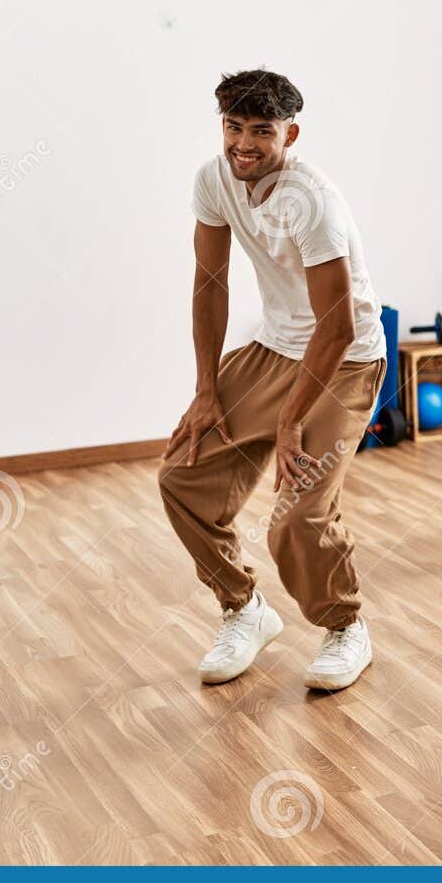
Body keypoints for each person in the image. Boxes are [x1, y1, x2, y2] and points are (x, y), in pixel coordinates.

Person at [159, 69, 385, 691]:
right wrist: (207, 389)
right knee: (182, 475)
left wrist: (288, 423)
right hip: (275, 348)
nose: (245, 145)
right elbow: (210, 283)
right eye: (234, 128)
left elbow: (336, 328)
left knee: (296, 517)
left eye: (262, 131)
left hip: (345, 360)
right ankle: (244, 609)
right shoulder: (213, 180)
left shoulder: (312, 202)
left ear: (291, 133)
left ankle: (345, 627)